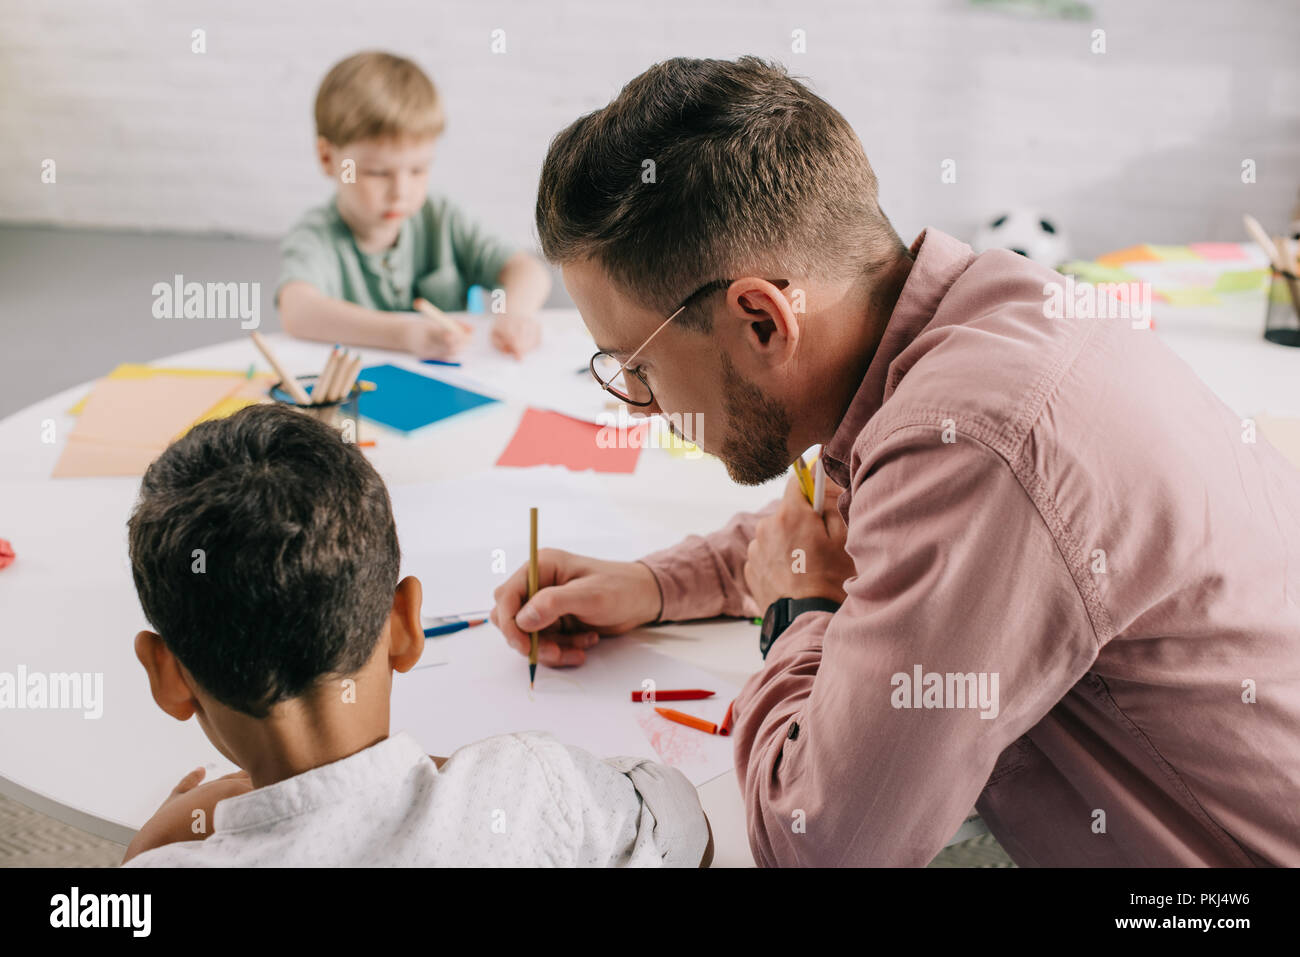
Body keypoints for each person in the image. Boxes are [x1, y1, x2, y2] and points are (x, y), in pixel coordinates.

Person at [491, 55, 1300, 866]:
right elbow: (860, 528)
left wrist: (794, 616)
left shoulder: (977, 443)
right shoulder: (981, 315)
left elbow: (823, 845)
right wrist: (659, 584)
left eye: (637, 366)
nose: (637, 401)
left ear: (764, 321)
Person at [122, 404, 711, 867]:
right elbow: (680, 821)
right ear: (405, 623)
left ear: (168, 676)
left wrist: (153, 844)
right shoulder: (526, 789)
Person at [276, 51, 551, 361]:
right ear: (328, 158)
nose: (401, 191)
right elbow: (297, 312)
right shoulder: (317, 235)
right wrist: (405, 334)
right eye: (377, 173)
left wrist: (516, 314)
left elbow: (528, 271)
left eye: (418, 170)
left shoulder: (442, 217)